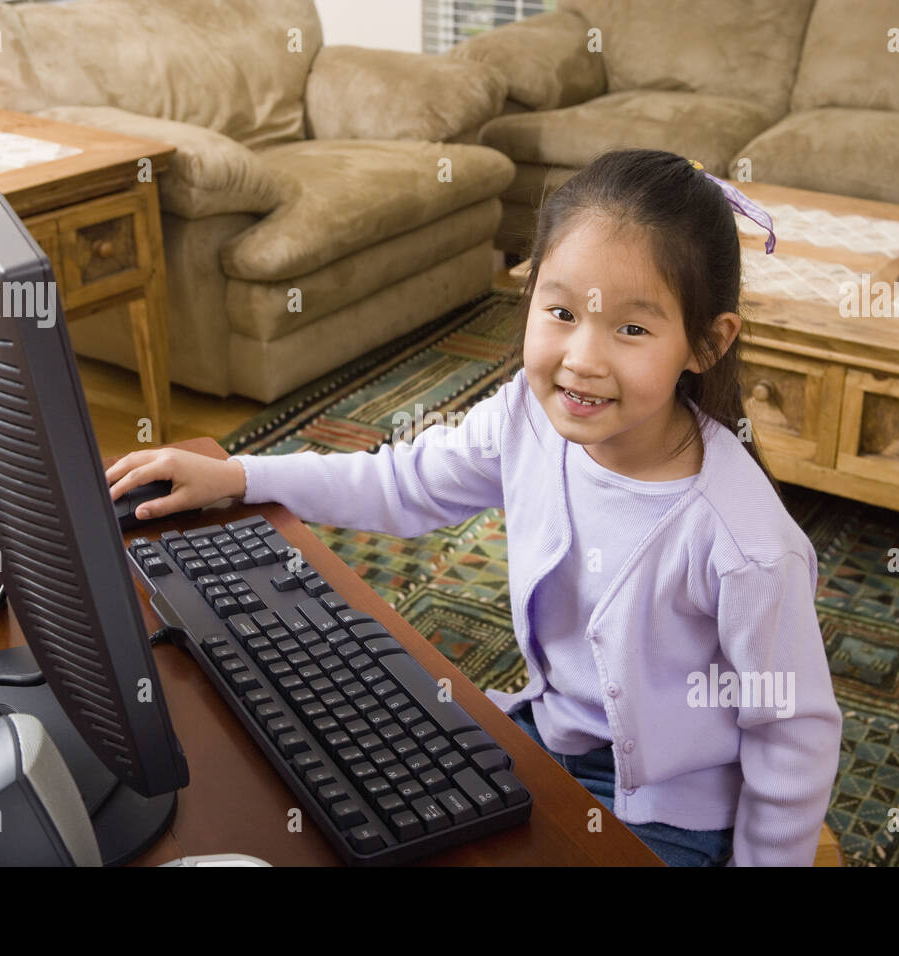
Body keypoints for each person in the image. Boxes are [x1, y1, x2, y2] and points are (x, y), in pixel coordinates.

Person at [105, 148, 843, 866]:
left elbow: (793, 732)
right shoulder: (528, 415)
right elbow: (402, 483)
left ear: (707, 344)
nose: (582, 357)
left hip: (673, 812)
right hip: (550, 737)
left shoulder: (746, 544)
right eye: (560, 311)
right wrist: (238, 476)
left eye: (632, 328)